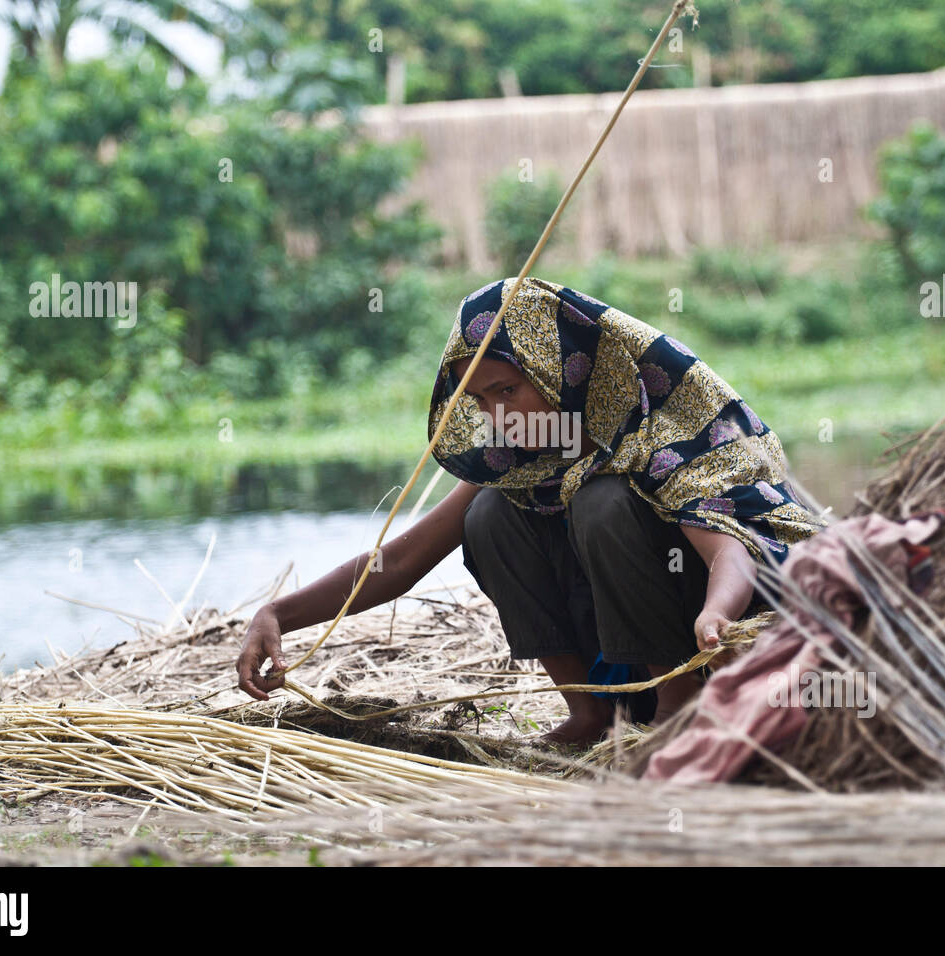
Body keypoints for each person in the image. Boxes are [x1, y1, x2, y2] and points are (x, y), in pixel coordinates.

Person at [237, 277, 827, 748]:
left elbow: (730, 550)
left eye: (506, 391)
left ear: (562, 368)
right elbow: (402, 560)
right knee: (489, 512)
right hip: (626, 671)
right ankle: (590, 712)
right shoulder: (525, 458)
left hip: (718, 655)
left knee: (602, 500)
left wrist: (716, 615)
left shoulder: (660, 429)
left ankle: (678, 708)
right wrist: (278, 614)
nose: (497, 417)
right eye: (478, 400)